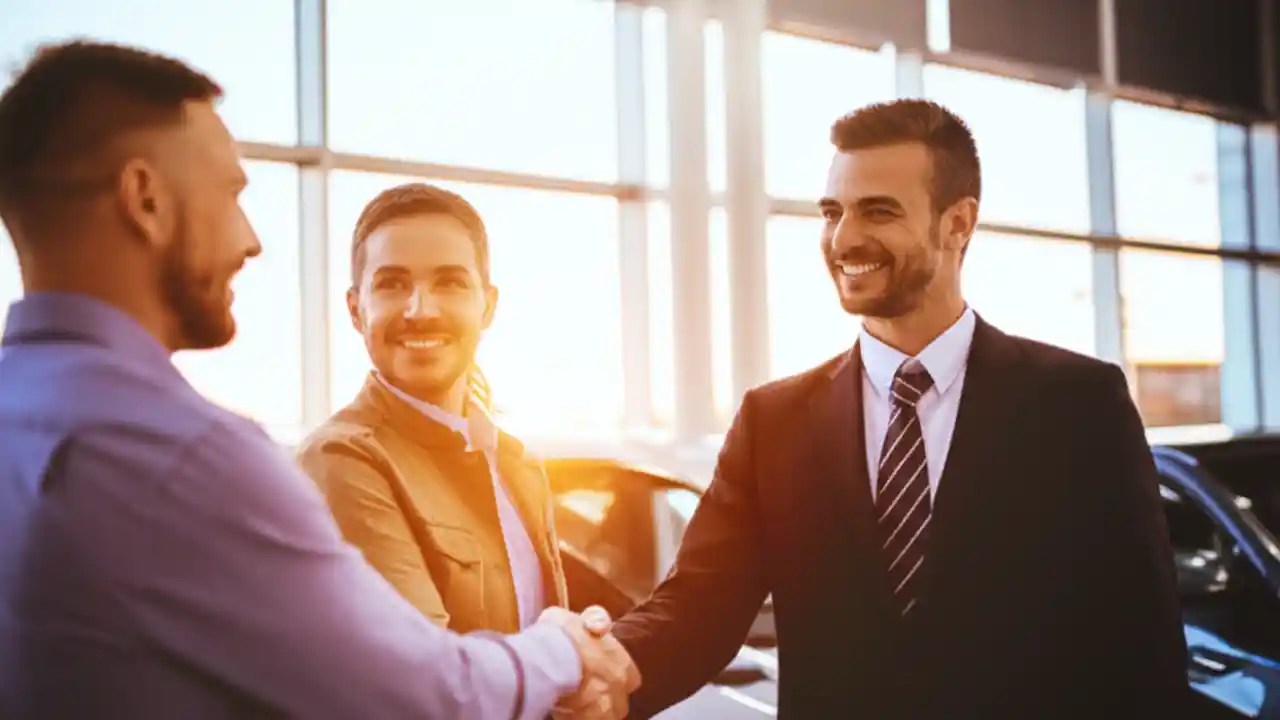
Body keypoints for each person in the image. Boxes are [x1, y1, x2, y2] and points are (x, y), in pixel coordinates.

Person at [0, 40, 636, 720]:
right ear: (145, 199)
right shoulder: (187, 458)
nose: (250, 239)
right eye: (229, 194)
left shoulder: (22, 410)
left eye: (450, 282)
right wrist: (562, 649)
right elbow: (419, 699)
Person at [606, 99, 1189, 719]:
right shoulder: (773, 421)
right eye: (833, 212)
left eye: (877, 212)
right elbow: (697, 608)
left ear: (958, 223)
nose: (845, 237)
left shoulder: (1077, 405)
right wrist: (571, 677)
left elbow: (1139, 643)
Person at [297, 183, 571, 637]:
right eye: (392, 284)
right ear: (354, 309)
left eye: (450, 282)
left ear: (488, 306)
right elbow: (420, 677)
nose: (420, 310)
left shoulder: (517, 464)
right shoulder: (340, 461)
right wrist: (570, 655)